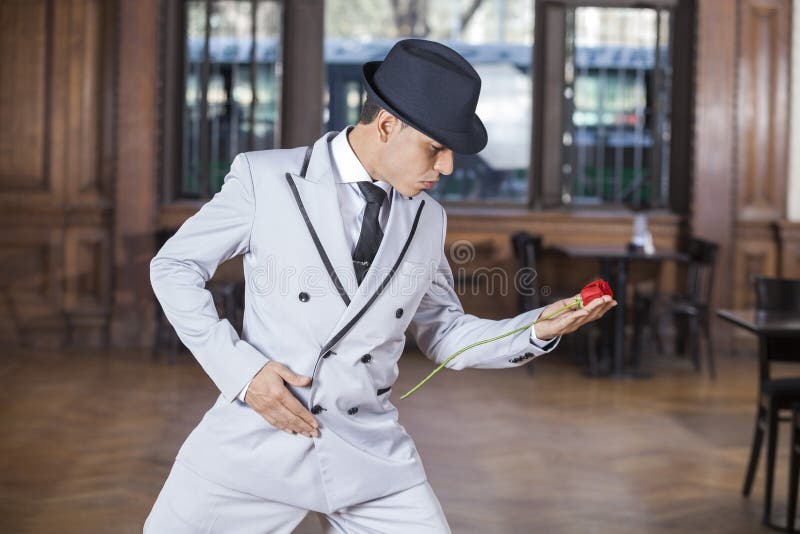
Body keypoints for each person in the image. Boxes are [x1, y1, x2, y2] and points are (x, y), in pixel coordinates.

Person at [145, 38, 616, 533]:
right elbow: (174, 266)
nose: (448, 167)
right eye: (436, 148)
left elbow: (443, 333)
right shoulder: (265, 178)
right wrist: (243, 372)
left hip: (368, 453)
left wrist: (537, 328)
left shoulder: (428, 218)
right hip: (255, 440)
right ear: (388, 125)